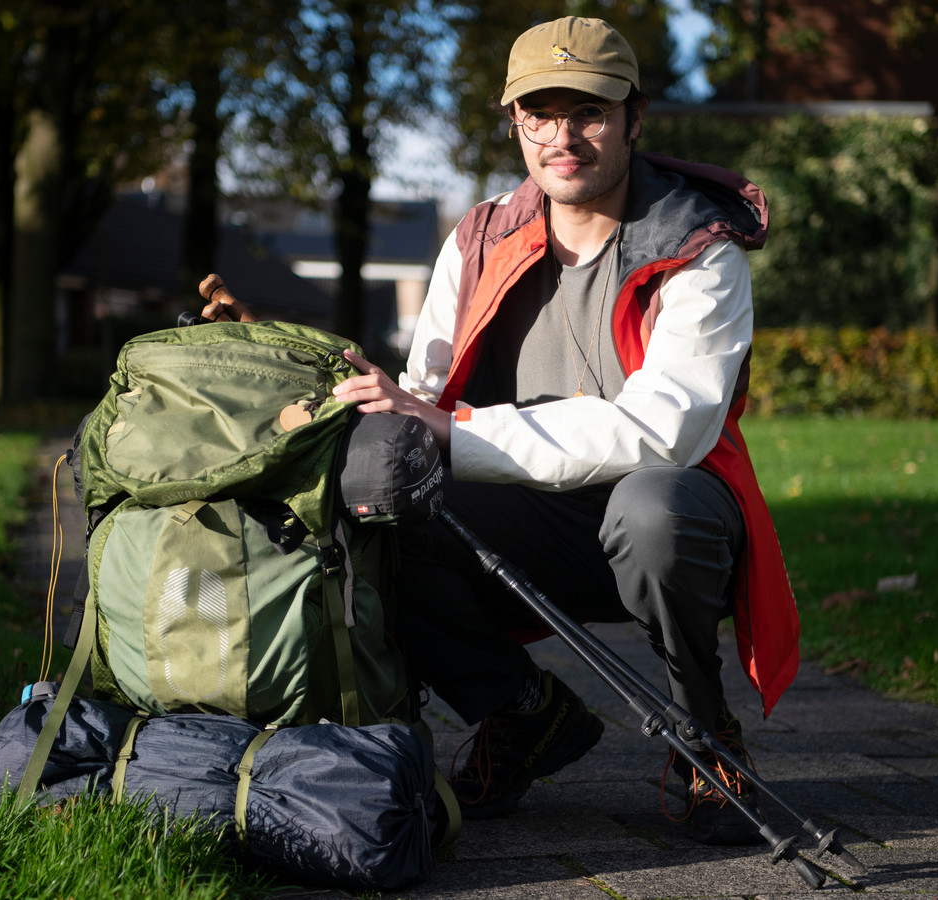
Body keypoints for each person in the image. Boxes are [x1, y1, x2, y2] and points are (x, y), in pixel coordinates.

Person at [203, 15, 800, 846]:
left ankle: (705, 735)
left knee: (655, 510)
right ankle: (523, 713)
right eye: (538, 113)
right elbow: (421, 400)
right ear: (514, 122)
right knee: (376, 497)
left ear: (634, 118)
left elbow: (667, 432)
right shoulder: (479, 236)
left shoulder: (701, 248)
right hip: (529, 516)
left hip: (664, 509)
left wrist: (457, 428)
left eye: (588, 111)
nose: (563, 136)